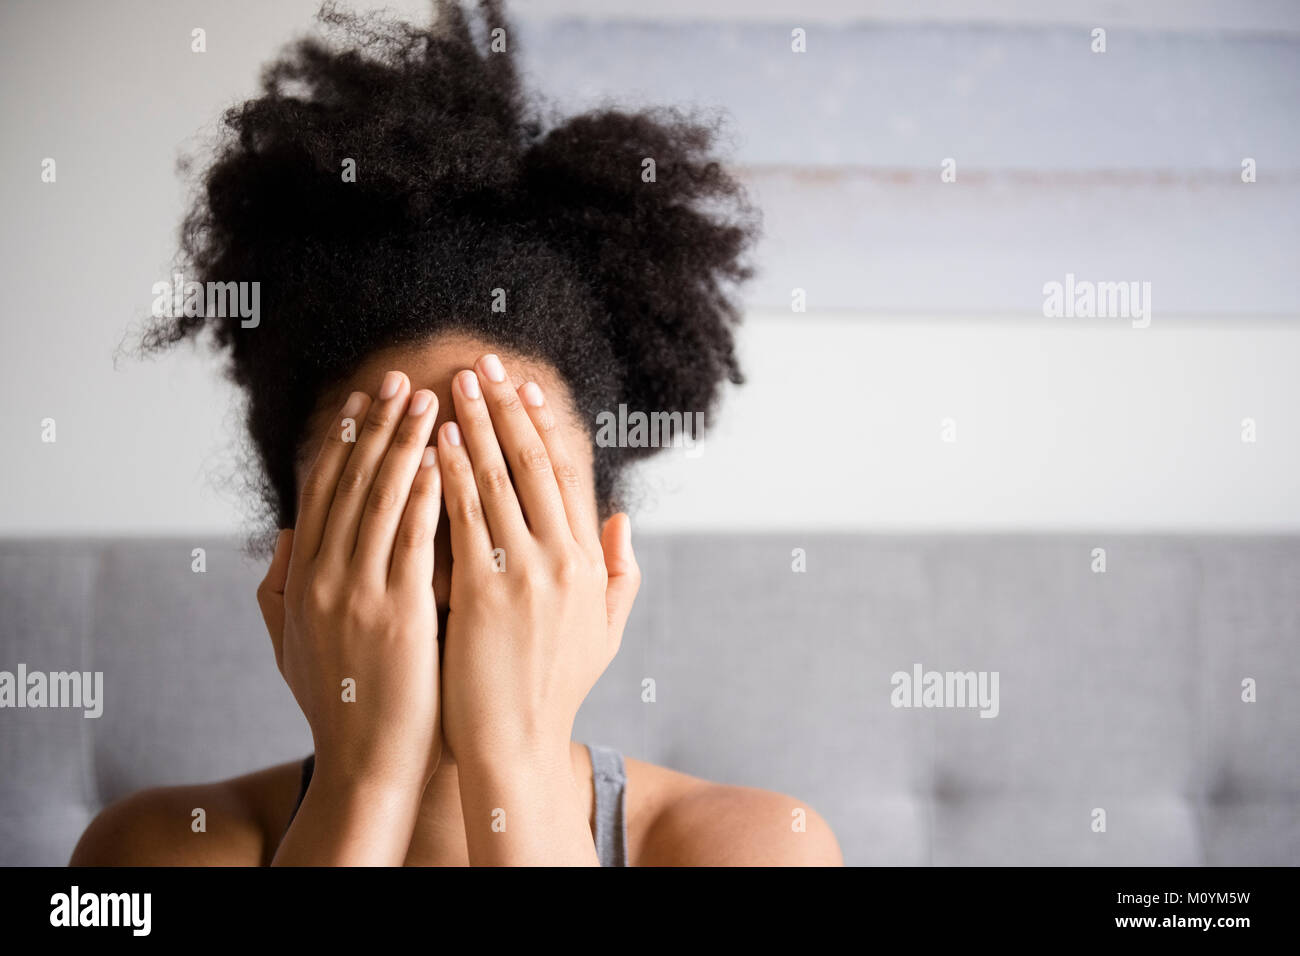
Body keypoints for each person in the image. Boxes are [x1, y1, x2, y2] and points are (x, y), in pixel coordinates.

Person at [71, 0, 840, 866]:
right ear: (290, 569)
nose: (464, 570)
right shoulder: (150, 849)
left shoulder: (759, 846)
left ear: (607, 564)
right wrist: (366, 787)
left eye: (511, 491)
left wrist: (510, 754)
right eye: (390, 501)